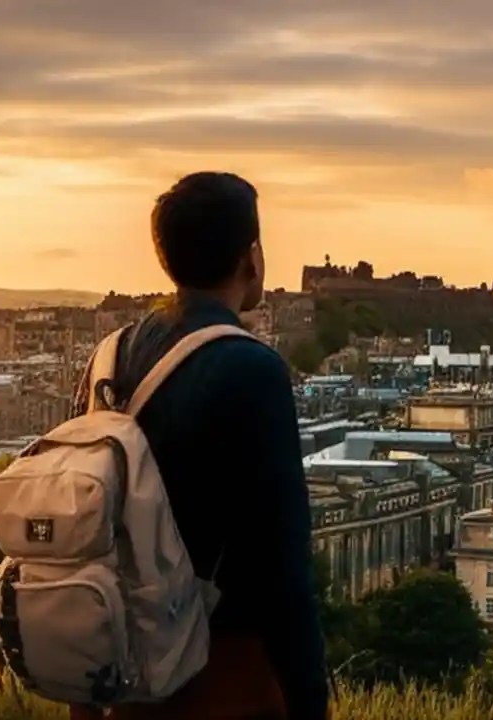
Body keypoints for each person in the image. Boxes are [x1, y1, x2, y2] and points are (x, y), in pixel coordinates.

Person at [68, 172, 329, 720]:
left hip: (118, 677)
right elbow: (281, 568)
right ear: (250, 258)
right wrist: (308, 701)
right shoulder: (251, 368)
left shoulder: (107, 359)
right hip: (218, 677)